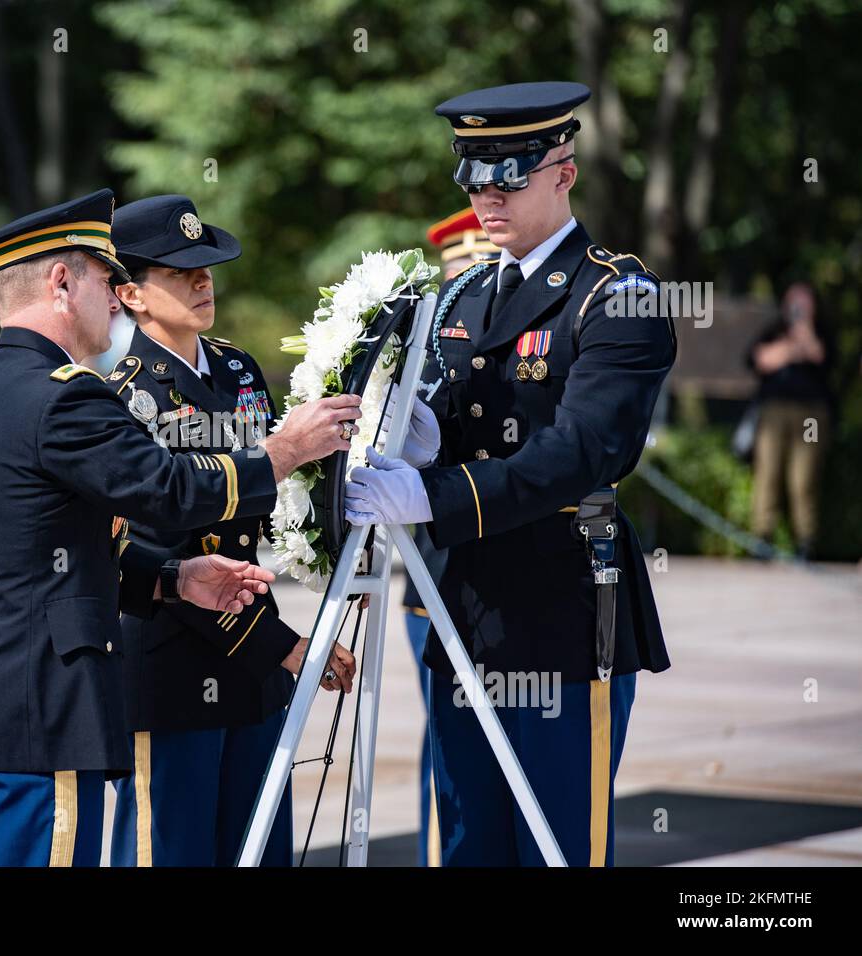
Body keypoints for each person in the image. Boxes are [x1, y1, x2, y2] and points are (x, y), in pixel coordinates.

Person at [0, 188, 361, 867]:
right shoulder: (64, 395)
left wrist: (173, 578)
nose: (116, 297)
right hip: (39, 715)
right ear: (63, 282)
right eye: (106, 278)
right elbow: (169, 493)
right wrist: (285, 450)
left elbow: (53, 546)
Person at [345, 82, 676, 866]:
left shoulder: (616, 295)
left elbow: (582, 452)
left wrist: (433, 492)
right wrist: (417, 441)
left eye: (509, 177)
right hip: (467, 603)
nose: (485, 197)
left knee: (555, 841)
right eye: (472, 177)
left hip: (564, 605)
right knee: (465, 843)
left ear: (563, 169)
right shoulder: (462, 291)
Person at [102, 195, 357, 867]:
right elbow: (160, 552)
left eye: (206, 267)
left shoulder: (238, 369)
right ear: (129, 293)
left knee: (258, 849)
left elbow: (273, 498)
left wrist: (340, 551)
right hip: (173, 667)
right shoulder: (124, 393)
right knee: (173, 851)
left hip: (253, 668)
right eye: (179, 272)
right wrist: (281, 645)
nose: (202, 280)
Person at [402, 207, 500, 867]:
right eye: (456, 272)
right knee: (450, 736)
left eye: (477, 268)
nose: (464, 284)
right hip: (433, 573)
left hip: (509, 568)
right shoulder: (427, 348)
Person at [748, 282, 833, 559]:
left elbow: (821, 356)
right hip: (773, 412)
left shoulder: (822, 330)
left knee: (802, 478)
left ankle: (805, 542)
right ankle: (763, 538)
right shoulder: (773, 329)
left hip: (810, 415)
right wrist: (791, 349)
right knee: (768, 473)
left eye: (803, 302)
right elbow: (759, 359)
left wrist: (803, 335)